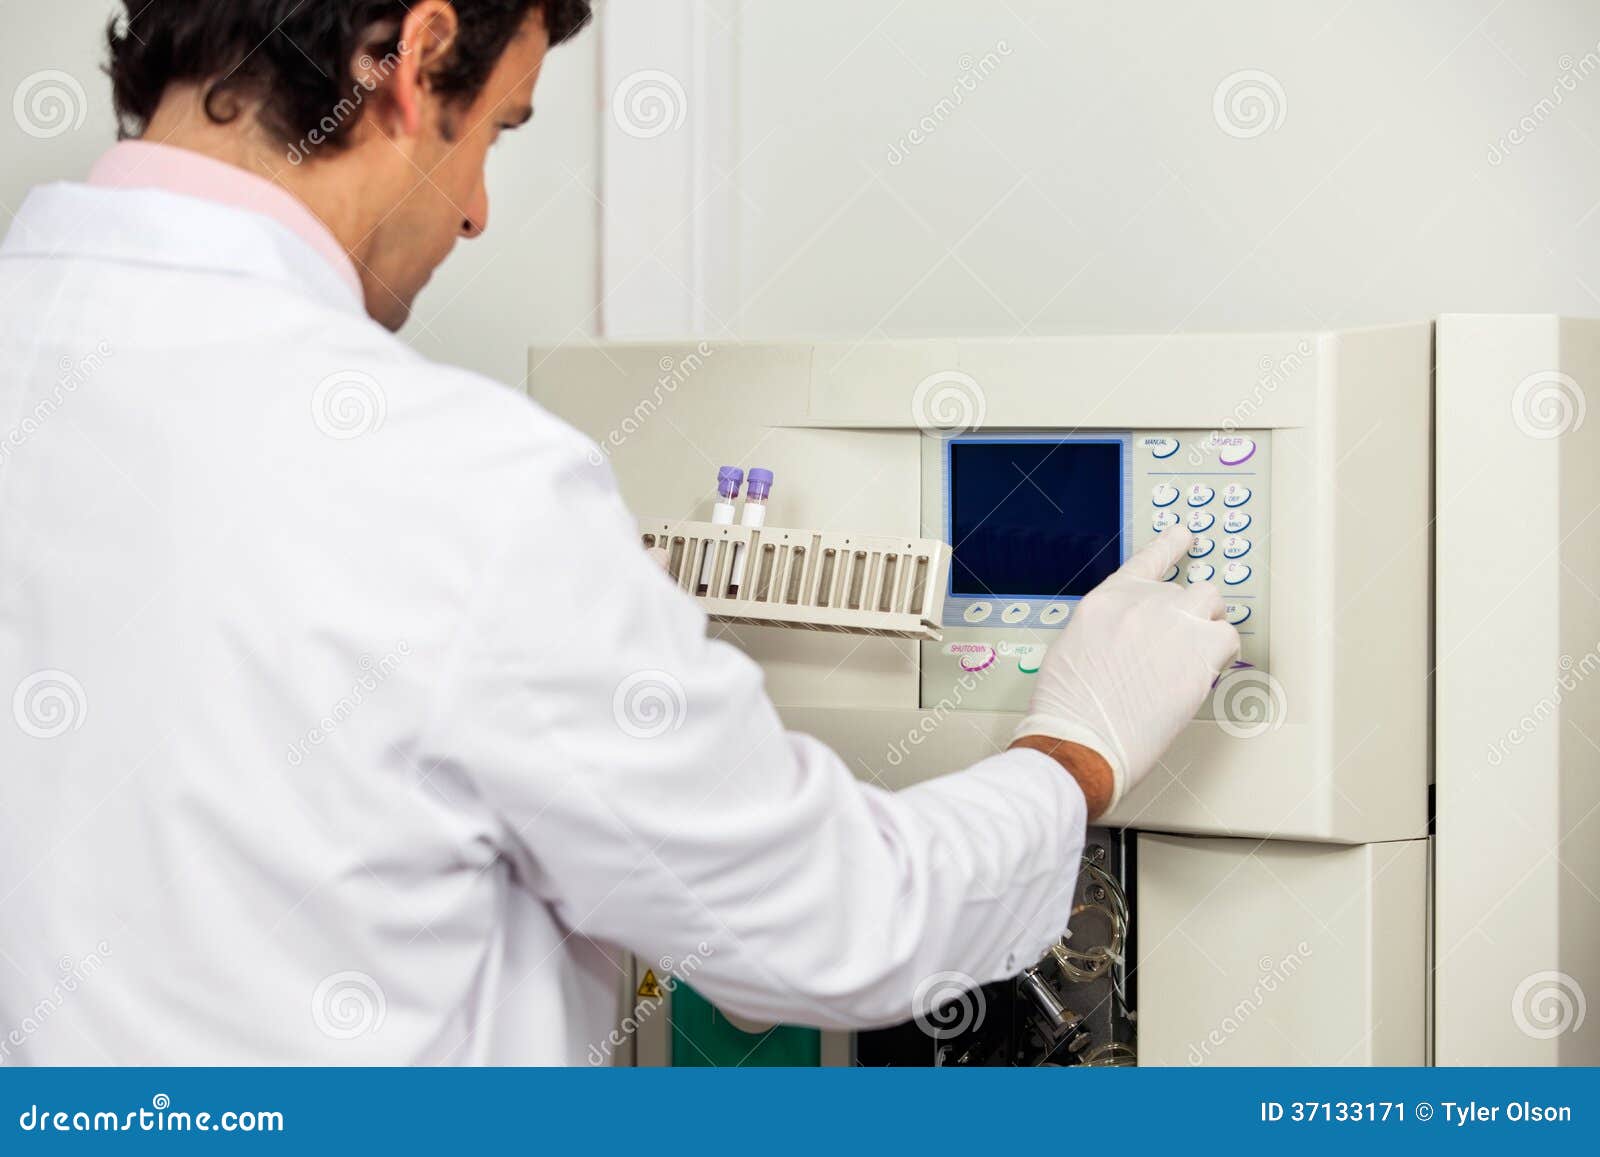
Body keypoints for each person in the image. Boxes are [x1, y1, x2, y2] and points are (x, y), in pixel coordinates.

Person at [0, 0, 1238, 1063]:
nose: (477, 210)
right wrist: (1077, 748)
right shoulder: (447, 477)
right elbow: (829, 928)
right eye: (495, 130)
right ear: (416, 56)